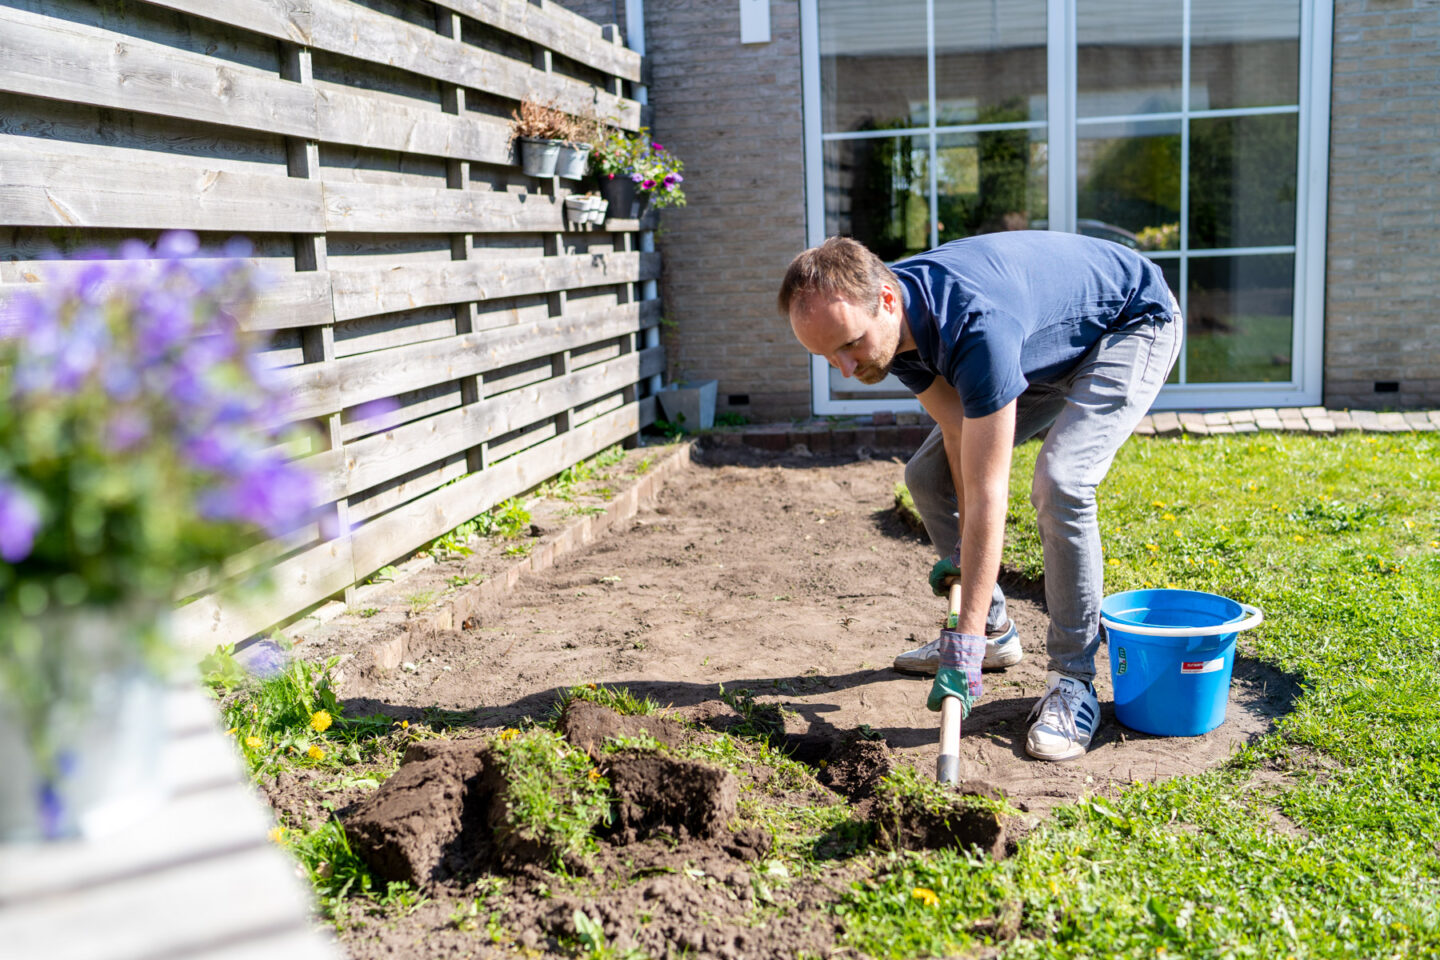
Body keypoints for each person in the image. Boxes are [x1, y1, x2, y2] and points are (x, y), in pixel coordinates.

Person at [777, 231, 1182, 761]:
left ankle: (1072, 680)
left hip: (1128, 323)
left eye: (849, 345)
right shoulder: (883, 326)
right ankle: (992, 631)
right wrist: (971, 573)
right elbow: (956, 433)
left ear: (887, 301)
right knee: (928, 476)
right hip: (1040, 347)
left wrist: (957, 645)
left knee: (1062, 481)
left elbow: (990, 491)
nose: (846, 369)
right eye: (827, 356)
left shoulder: (973, 323)